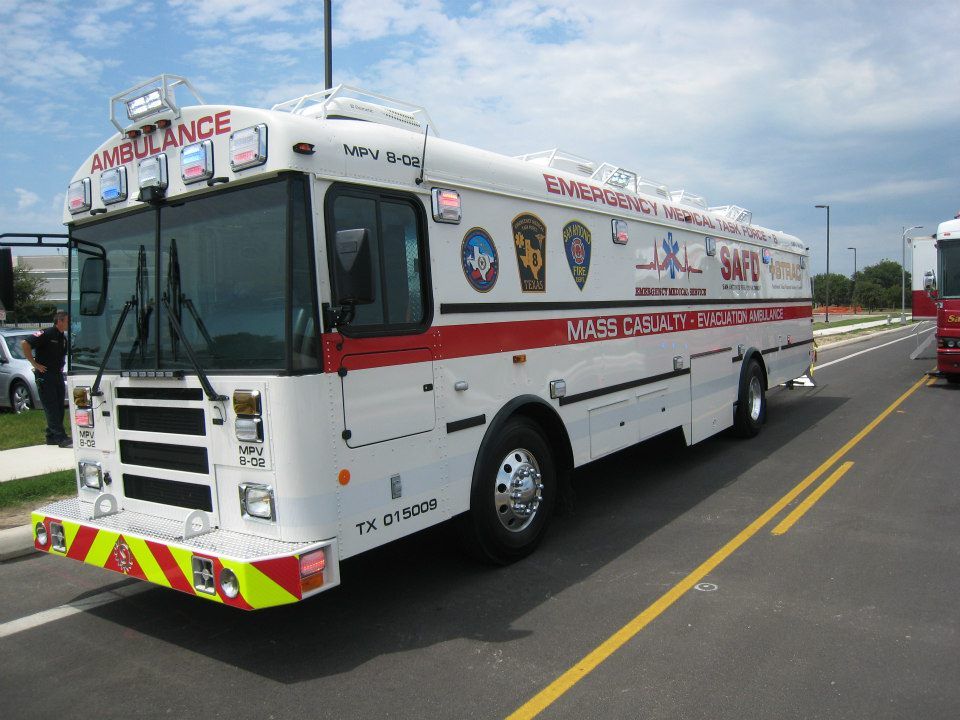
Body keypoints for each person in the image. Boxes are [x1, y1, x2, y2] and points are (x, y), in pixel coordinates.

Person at [21, 310, 71, 448]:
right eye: (68, 321)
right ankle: (61, 438)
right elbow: (25, 343)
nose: (69, 324)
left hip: (57, 374)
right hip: (45, 375)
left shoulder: (63, 337)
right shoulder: (47, 333)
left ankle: (51, 436)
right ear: (60, 321)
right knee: (51, 406)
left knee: (59, 406)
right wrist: (34, 363)